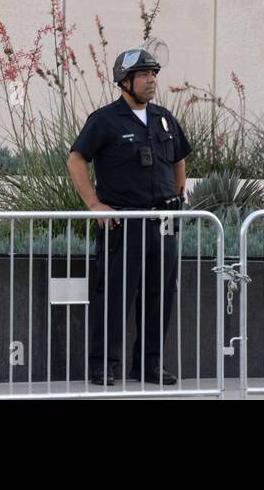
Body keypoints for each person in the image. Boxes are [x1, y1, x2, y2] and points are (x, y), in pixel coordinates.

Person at [67, 46, 191, 385]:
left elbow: (179, 158)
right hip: (124, 224)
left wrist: (177, 196)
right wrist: (94, 205)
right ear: (125, 81)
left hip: (162, 224)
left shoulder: (164, 118)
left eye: (154, 74)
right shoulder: (104, 120)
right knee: (115, 295)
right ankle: (102, 364)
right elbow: (76, 160)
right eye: (144, 75)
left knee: (160, 295)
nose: (152, 80)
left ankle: (150, 365)